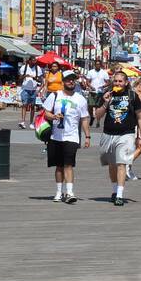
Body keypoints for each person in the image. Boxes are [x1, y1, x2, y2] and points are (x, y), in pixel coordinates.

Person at [95, 68, 141, 206]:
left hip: (126, 134)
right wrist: (106, 102)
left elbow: (140, 117)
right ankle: (114, 190)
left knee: (121, 163)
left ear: (126, 82)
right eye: (116, 81)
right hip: (108, 133)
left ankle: (120, 194)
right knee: (111, 165)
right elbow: (97, 115)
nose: (118, 83)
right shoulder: (107, 95)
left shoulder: (132, 96)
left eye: (120, 81)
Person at [42, 69, 90, 203]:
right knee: (59, 166)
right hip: (55, 136)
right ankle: (58, 192)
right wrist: (54, 116)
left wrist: (87, 136)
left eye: (73, 79)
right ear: (63, 81)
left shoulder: (80, 99)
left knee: (68, 164)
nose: (71, 81)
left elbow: (84, 118)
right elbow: (46, 113)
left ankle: (69, 192)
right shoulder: (55, 95)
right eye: (68, 79)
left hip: (72, 136)